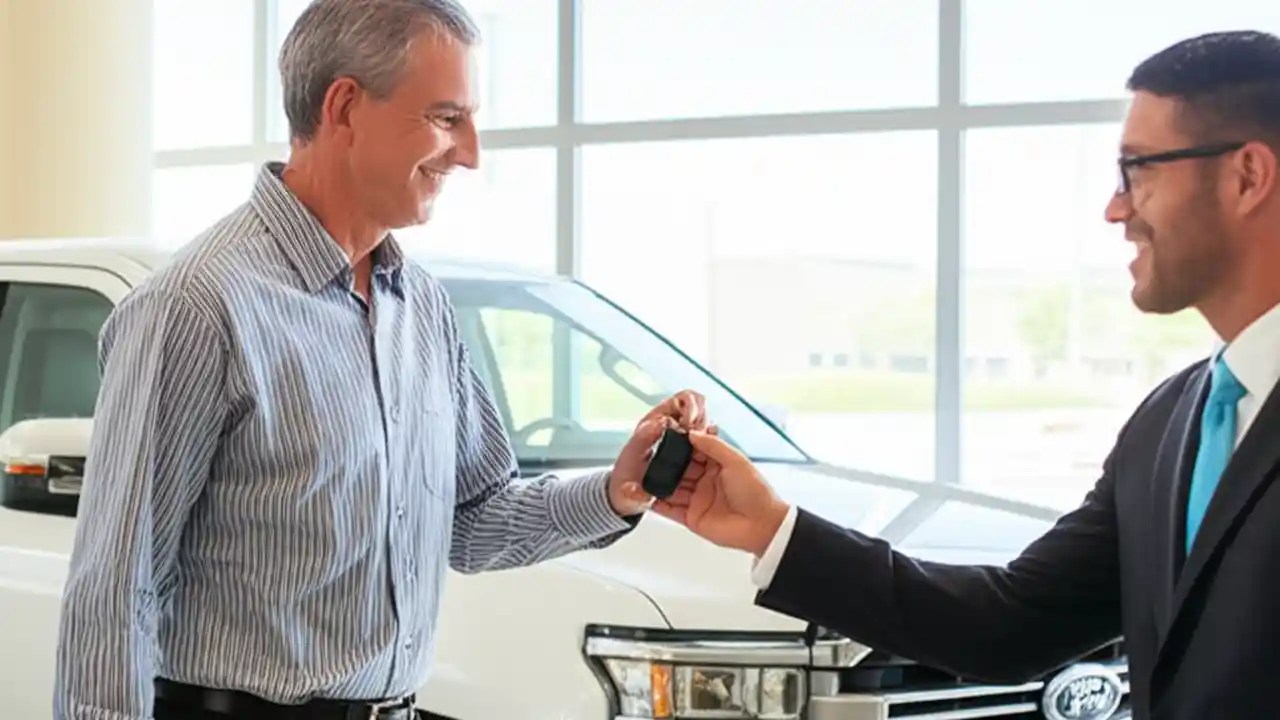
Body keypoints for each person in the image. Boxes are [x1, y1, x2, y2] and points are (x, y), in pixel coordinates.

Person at [52, 1, 710, 718]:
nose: (471, 153)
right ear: (344, 106)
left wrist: (617, 491)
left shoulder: (421, 308)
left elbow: (473, 518)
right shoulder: (197, 307)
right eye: (445, 117)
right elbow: (116, 586)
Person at [656, 30, 1280, 720]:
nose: (1116, 207)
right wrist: (771, 527)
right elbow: (1010, 625)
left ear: (1247, 176)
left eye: (1139, 169)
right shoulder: (1170, 421)